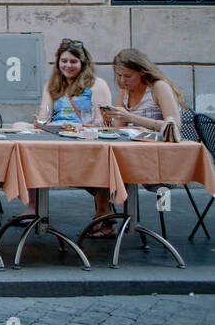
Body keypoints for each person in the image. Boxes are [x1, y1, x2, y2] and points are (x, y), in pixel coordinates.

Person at [38, 39, 114, 235]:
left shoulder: (97, 85)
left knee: (99, 160)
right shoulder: (52, 85)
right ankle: (33, 210)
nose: (68, 66)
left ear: (83, 63)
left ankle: (104, 212)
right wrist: (43, 123)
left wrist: (79, 126)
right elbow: (44, 116)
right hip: (56, 139)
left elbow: (103, 122)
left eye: (73, 61)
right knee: (31, 155)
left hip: (84, 140)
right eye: (64, 61)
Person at [102, 48, 184, 136]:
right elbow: (118, 129)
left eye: (128, 76)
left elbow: (174, 126)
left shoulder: (158, 87)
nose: (122, 80)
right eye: (119, 75)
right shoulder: (123, 93)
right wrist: (109, 119)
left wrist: (130, 117)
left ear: (142, 71)